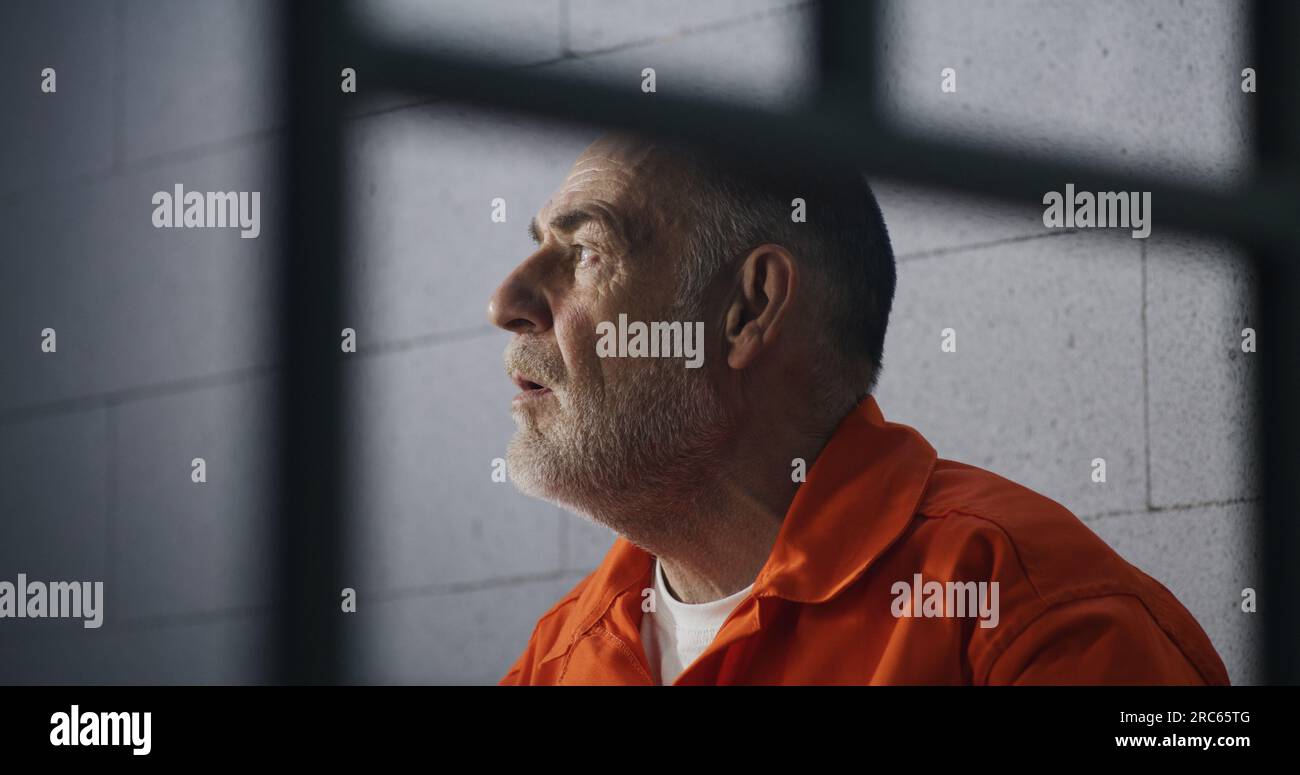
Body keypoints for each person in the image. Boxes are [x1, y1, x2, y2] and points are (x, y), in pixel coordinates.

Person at [488, 135, 1228, 685]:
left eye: (584, 251)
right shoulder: (555, 658)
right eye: (537, 248)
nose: (506, 304)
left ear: (749, 307)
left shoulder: (1036, 613)